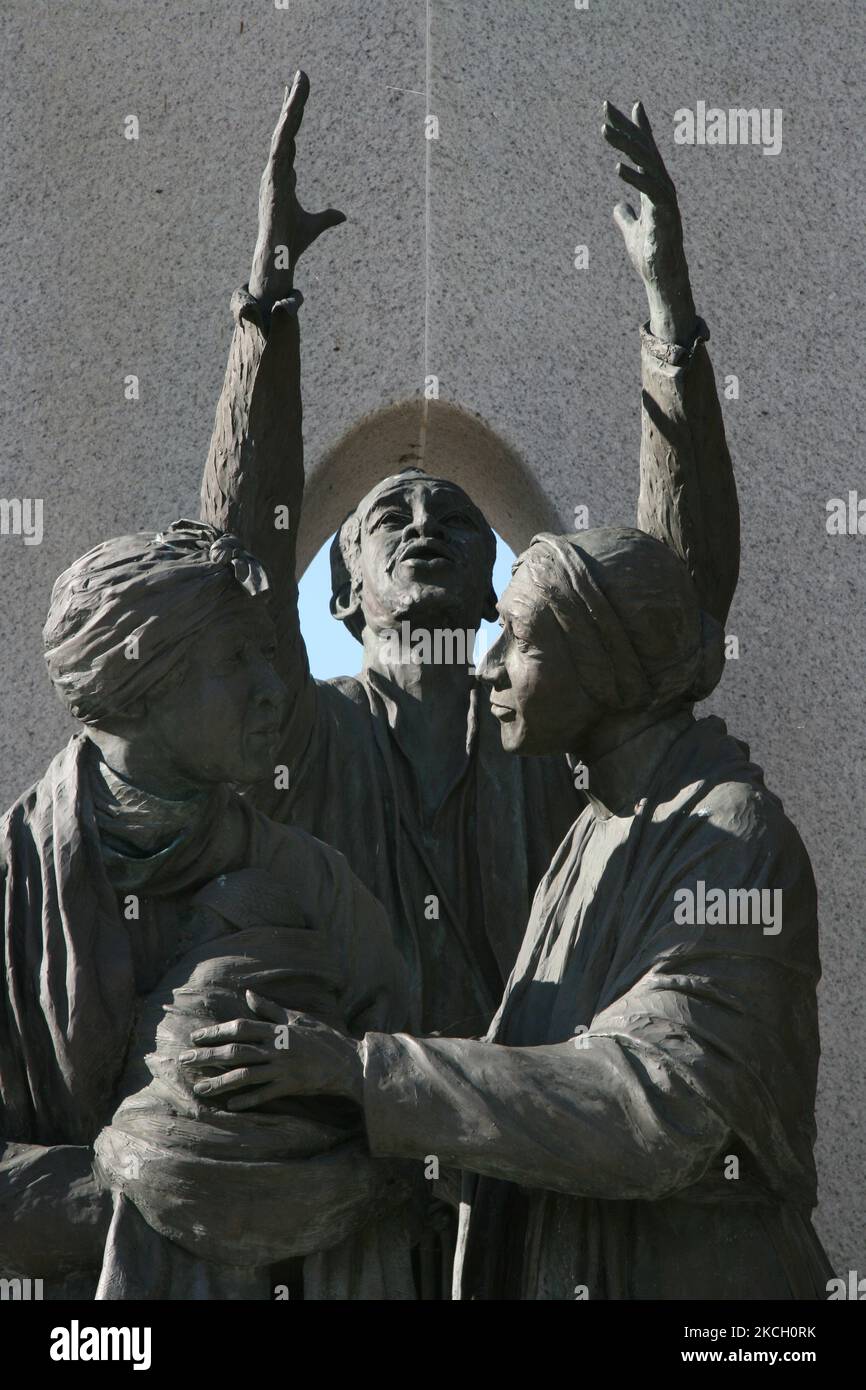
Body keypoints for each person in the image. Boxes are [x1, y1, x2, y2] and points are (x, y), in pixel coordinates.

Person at [200, 76, 740, 1048]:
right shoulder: (307, 737)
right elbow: (231, 587)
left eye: (452, 515)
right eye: (388, 516)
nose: (422, 523)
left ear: (495, 589)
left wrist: (669, 318)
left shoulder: (549, 750)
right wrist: (266, 303)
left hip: (523, 1151)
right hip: (341, 1149)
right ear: (341, 590)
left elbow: (679, 612)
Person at [186, 527, 834, 1300]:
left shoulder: (733, 839)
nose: (487, 664)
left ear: (604, 660)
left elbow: (656, 1106)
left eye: (517, 638)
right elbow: (522, 1092)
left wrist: (363, 1072)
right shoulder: (596, 833)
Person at [0, 520, 412, 1300]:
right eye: (235, 658)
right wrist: (168, 1183)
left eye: (267, 653)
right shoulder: (10, 887)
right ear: (138, 683)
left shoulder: (315, 882)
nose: (275, 686)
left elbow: (403, 1135)